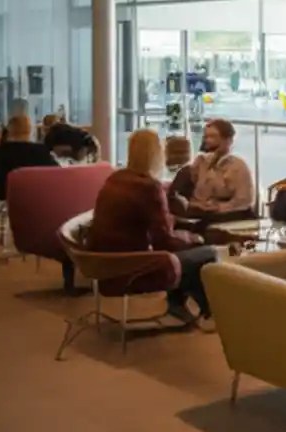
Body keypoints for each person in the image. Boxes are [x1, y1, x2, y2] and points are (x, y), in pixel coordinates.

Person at [89, 129, 219, 330]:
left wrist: (173, 225)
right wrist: (192, 238)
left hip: (105, 263)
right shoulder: (149, 187)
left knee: (189, 256)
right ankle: (209, 312)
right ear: (158, 155)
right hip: (133, 268)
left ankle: (190, 308)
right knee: (208, 253)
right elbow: (164, 241)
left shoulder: (116, 179)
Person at [168, 118, 255, 223]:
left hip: (229, 214)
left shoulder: (238, 167)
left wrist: (218, 207)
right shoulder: (201, 162)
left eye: (213, 137)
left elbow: (244, 201)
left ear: (228, 140)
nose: (208, 141)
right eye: (206, 137)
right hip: (200, 211)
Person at [0, 115, 58, 201]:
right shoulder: (41, 151)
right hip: (36, 203)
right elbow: (57, 176)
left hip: (1, 204)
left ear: (8, 130)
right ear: (30, 130)